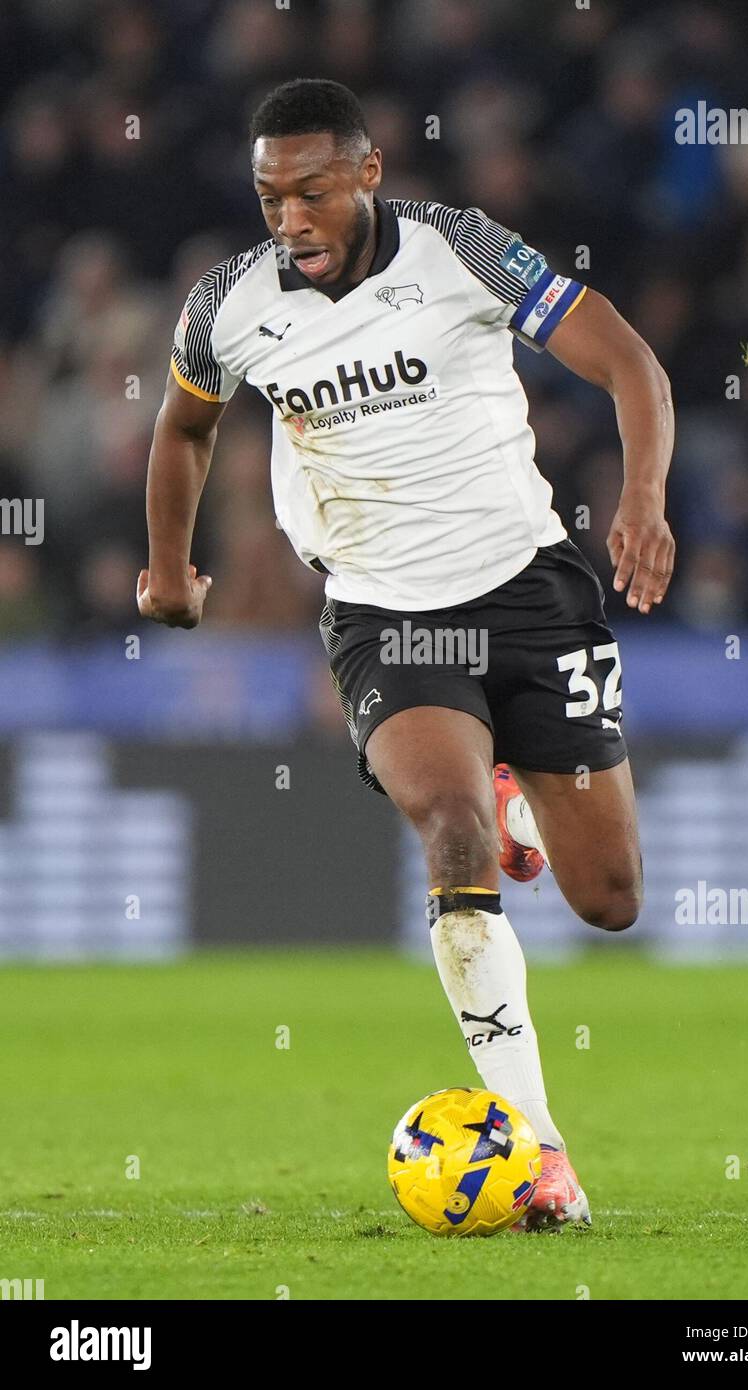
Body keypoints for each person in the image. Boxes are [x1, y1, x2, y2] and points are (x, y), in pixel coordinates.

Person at [138, 78, 675, 1232]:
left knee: (613, 900)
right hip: (386, 613)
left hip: (533, 592)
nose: (291, 220)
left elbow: (632, 362)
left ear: (369, 174)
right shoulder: (227, 305)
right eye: (270, 197)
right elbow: (184, 427)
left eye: (313, 193)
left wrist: (641, 496)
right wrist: (169, 567)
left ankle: (518, 803)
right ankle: (539, 1153)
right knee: (449, 831)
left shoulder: (463, 251)